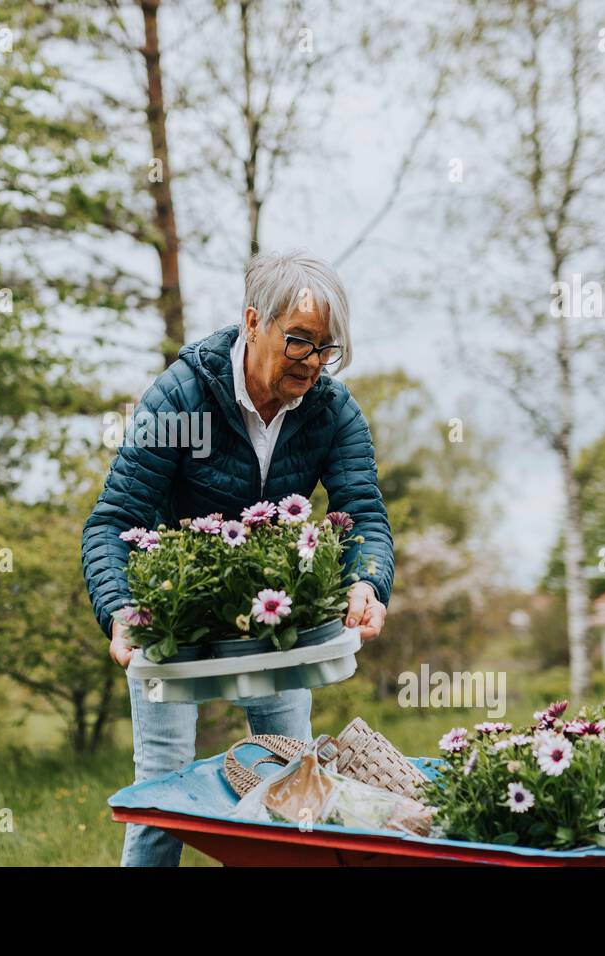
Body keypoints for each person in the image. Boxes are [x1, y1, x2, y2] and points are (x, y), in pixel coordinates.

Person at [80, 248, 394, 866]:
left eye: (326, 348)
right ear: (253, 323)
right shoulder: (180, 398)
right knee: (161, 801)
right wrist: (119, 608)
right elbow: (114, 521)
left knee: (294, 795)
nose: (312, 363)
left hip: (278, 623)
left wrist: (366, 581)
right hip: (174, 619)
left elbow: (364, 514)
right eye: (299, 341)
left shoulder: (332, 411)